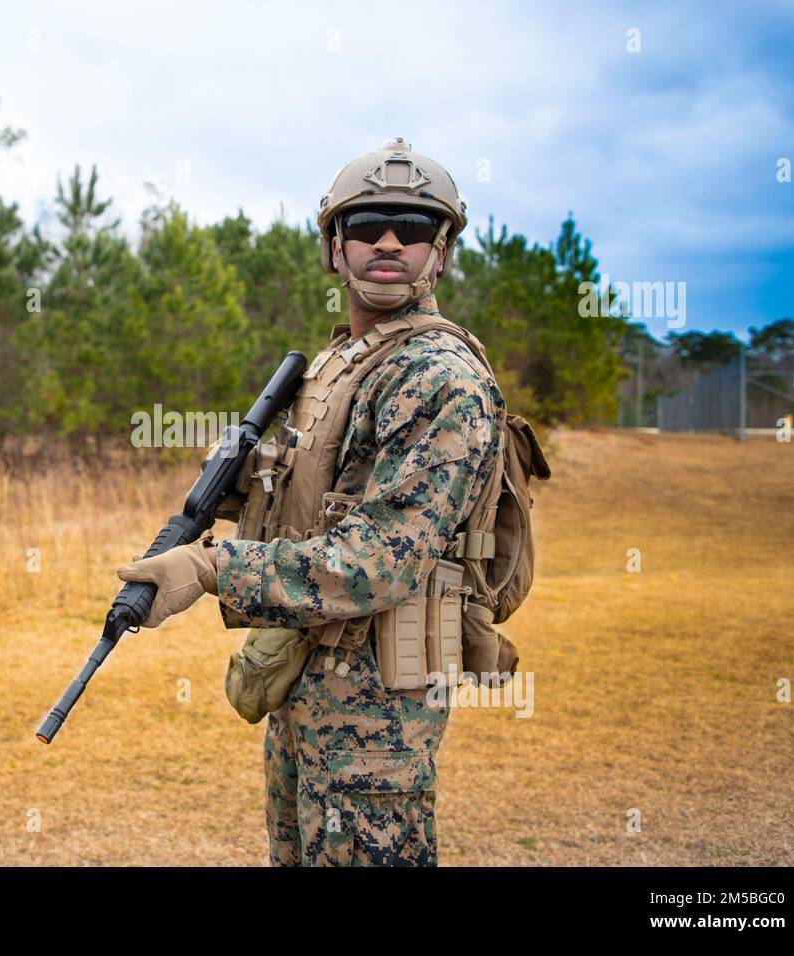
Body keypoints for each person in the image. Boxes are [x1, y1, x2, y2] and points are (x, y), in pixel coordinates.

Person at [117, 139, 506, 866]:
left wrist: (210, 569)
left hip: (375, 713)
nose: (389, 240)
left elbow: (378, 562)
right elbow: (311, 503)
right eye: (367, 226)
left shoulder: (439, 377)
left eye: (414, 228)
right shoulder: (342, 362)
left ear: (442, 249)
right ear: (335, 246)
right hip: (305, 677)